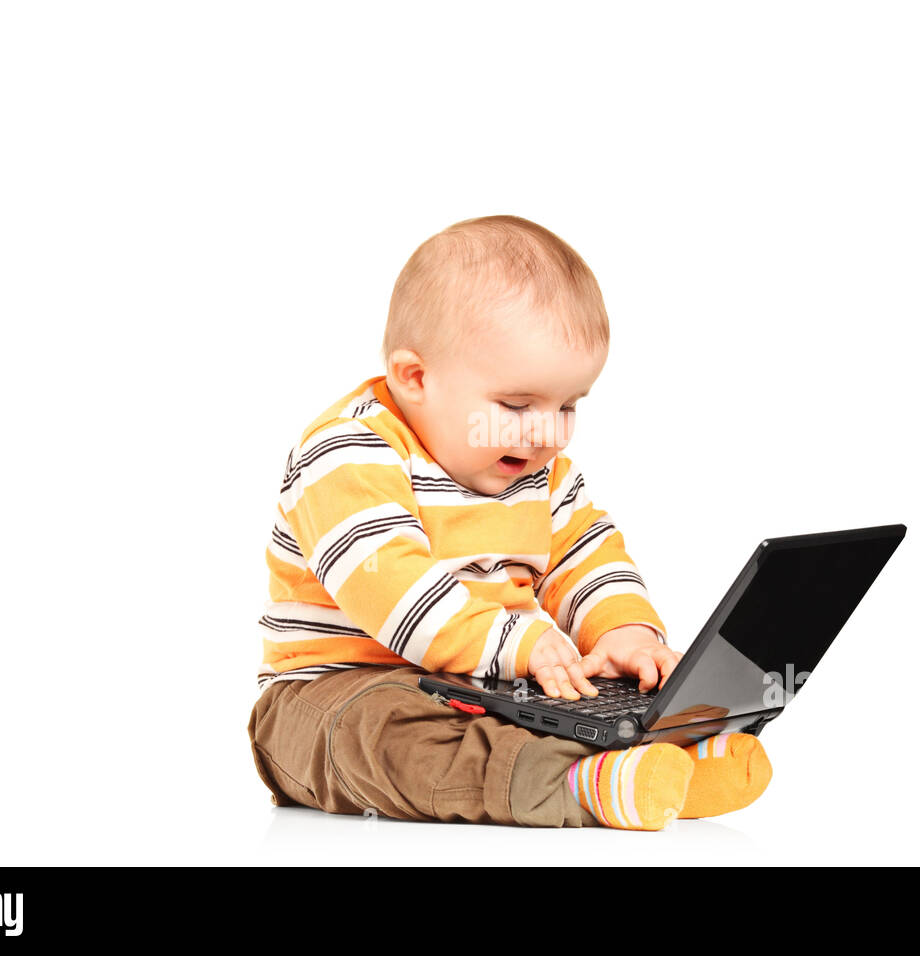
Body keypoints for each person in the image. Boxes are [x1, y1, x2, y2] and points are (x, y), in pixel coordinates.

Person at [246, 214, 772, 830]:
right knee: (393, 737)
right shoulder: (348, 451)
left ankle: (639, 757)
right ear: (415, 377)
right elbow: (386, 584)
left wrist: (625, 631)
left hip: (480, 682)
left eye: (568, 405)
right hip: (333, 694)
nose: (547, 431)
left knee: (562, 703)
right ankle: (575, 785)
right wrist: (519, 641)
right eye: (518, 405)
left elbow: (587, 553)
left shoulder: (536, 471)